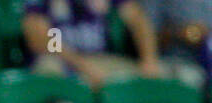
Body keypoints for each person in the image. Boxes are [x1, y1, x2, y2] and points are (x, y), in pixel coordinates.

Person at [22, 0, 161, 88]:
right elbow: (40, 39)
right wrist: (84, 66)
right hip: (60, 60)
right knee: (49, 71)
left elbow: (137, 19)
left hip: (100, 59)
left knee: (157, 80)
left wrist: (149, 59)